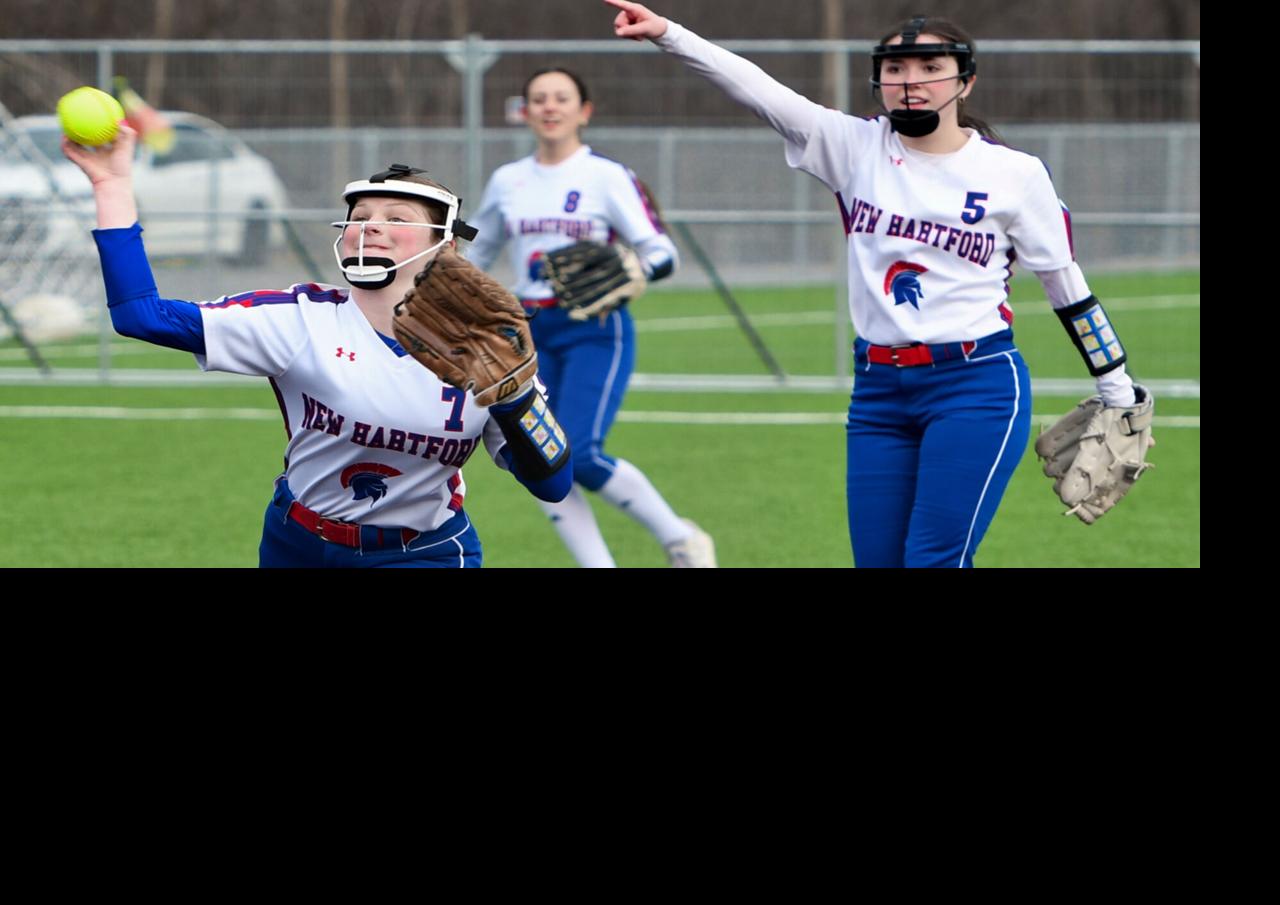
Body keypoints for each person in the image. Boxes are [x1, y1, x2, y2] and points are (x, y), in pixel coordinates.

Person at [603, 2, 1149, 567]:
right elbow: (755, 87)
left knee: (934, 559)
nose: (910, 81)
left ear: (966, 81)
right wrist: (669, 33)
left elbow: (1066, 286)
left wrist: (1117, 385)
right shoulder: (856, 148)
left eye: (929, 67)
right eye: (895, 69)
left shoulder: (1013, 173)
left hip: (975, 385)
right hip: (879, 392)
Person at [64, 123, 574, 568]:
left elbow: (553, 483)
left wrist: (516, 397)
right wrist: (111, 184)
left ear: (446, 244)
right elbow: (140, 316)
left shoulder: (487, 348)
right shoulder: (299, 318)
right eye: (360, 216)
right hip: (298, 541)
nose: (370, 225)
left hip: (422, 552)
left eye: (398, 218)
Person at [464, 66, 716, 569]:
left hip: (595, 328)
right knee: (537, 456)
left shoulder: (607, 176)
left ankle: (682, 541)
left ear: (584, 110)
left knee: (579, 450)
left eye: (561, 98)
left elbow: (661, 251)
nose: (550, 107)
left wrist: (631, 270)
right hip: (528, 333)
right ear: (526, 111)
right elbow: (477, 256)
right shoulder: (508, 180)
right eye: (539, 99)